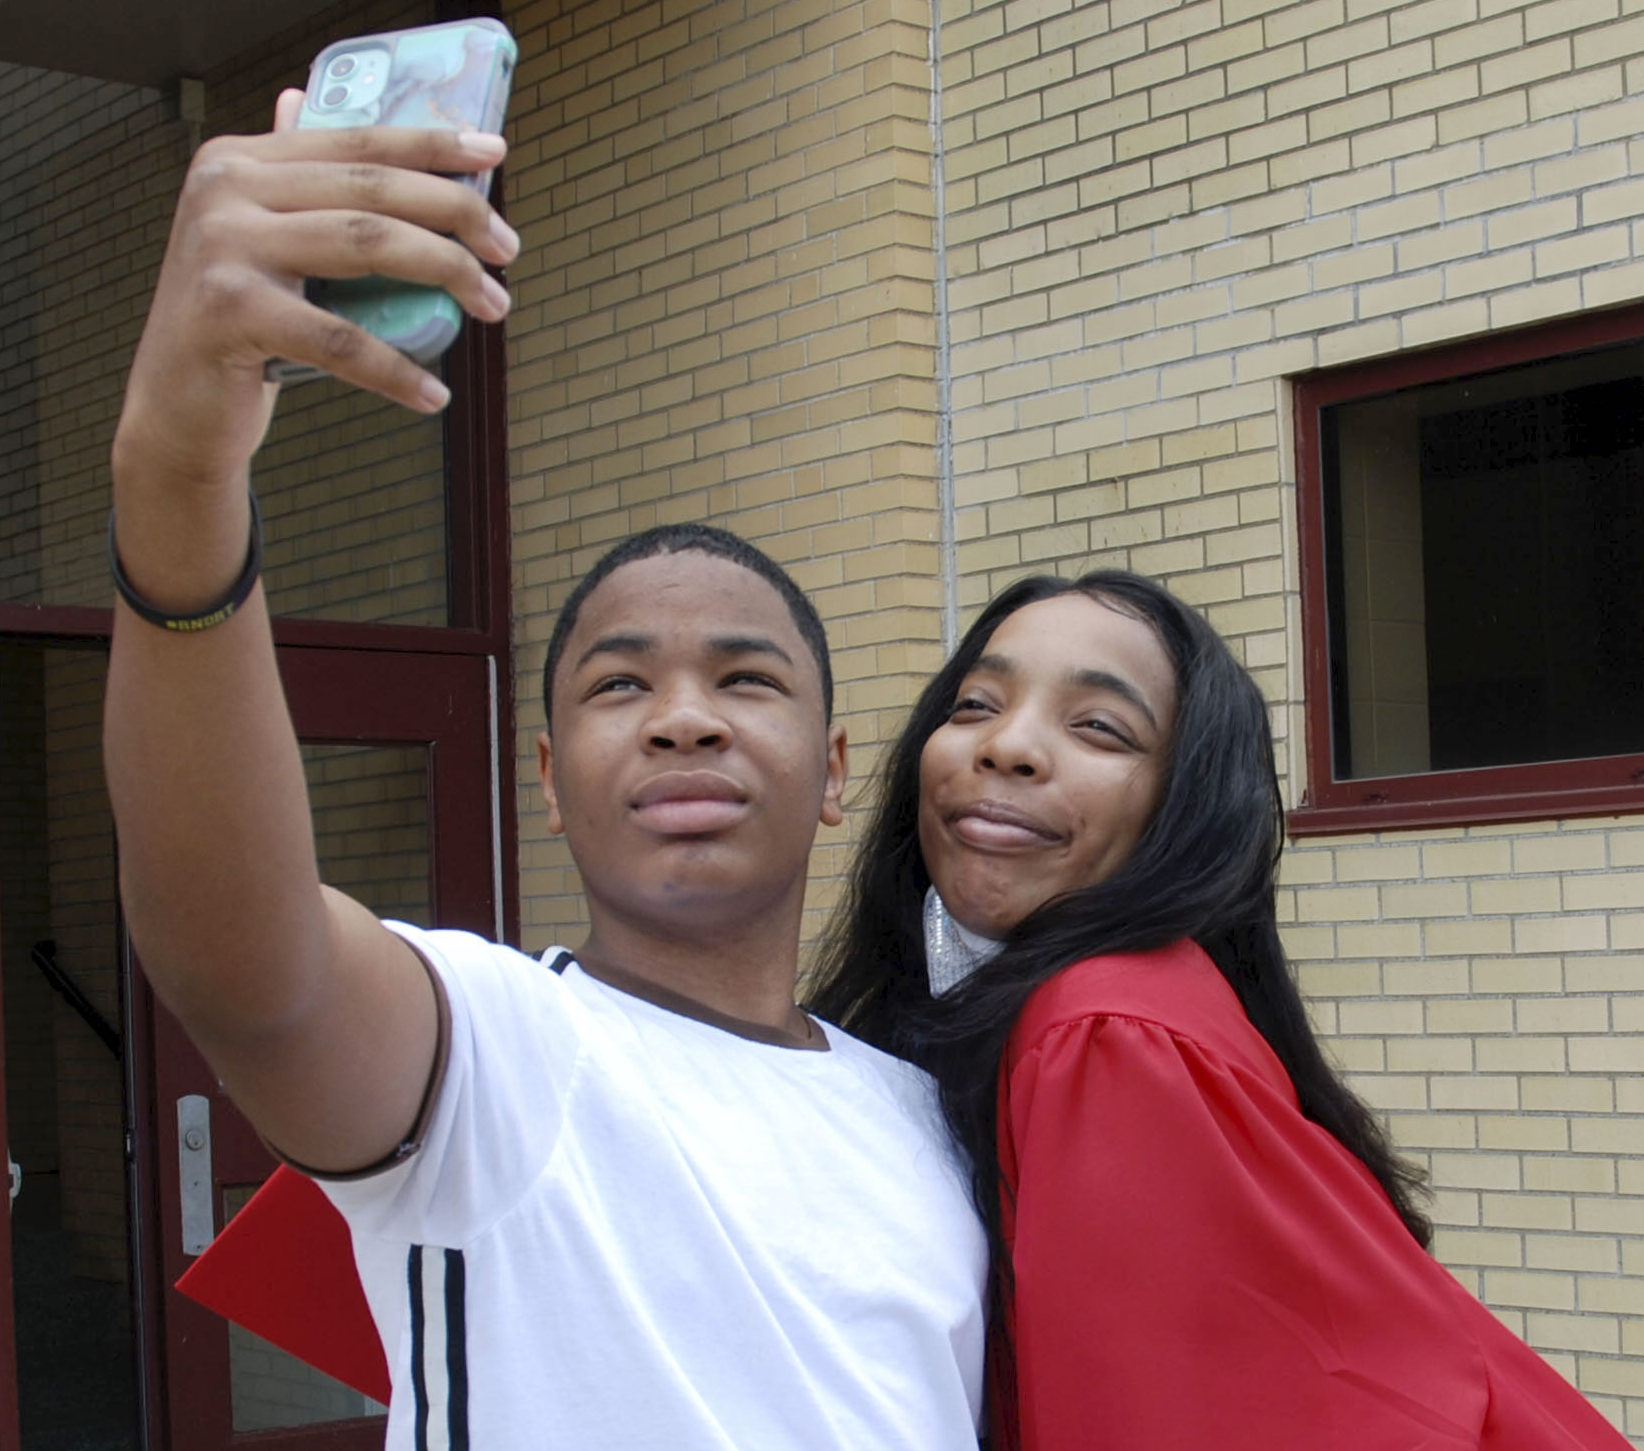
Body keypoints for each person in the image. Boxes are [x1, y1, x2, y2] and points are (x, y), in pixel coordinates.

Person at [104, 94, 986, 1449]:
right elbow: (241, 957)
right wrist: (175, 469)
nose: (683, 718)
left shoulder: (927, 1115)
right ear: (548, 774)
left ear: (832, 769)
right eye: (619, 683)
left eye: (746, 679)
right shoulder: (491, 1053)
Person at [810, 570, 1631, 1451]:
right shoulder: (1083, 1009)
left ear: (1185, 806)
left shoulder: (1107, 1032)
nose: (1009, 745)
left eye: (1099, 726)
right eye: (974, 705)